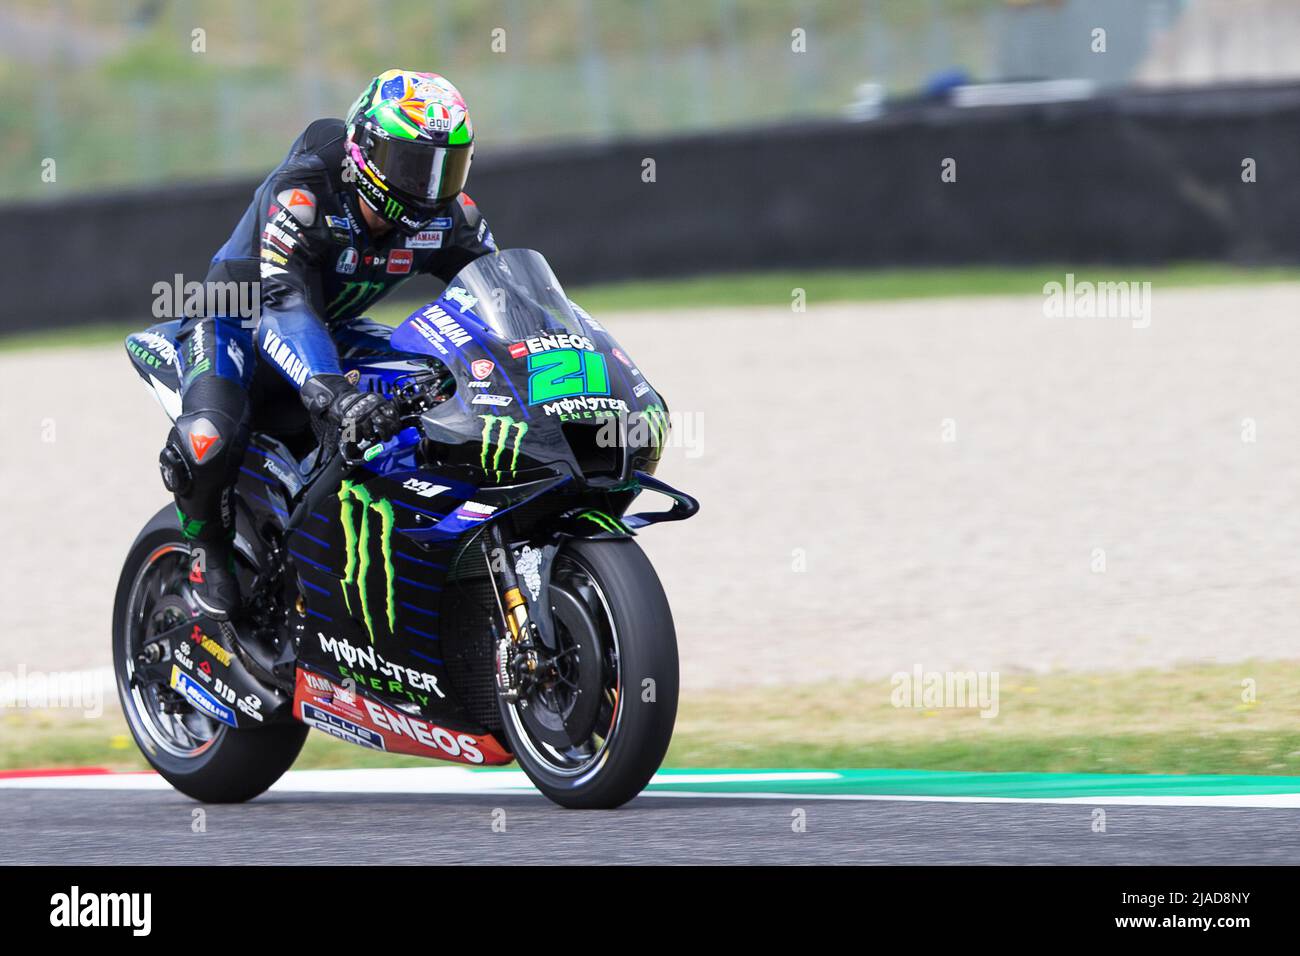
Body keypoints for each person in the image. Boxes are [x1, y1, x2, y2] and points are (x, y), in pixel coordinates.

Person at [161, 69, 498, 619]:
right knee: (207, 439)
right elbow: (283, 300)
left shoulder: (450, 217)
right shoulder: (306, 190)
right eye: (414, 166)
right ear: (365, 153)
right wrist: (331, 390)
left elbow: (499, 295)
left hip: (330, 328)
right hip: (234, 321)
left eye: (447, 168)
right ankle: (208, 554)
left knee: (437, 382)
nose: (429, 187)